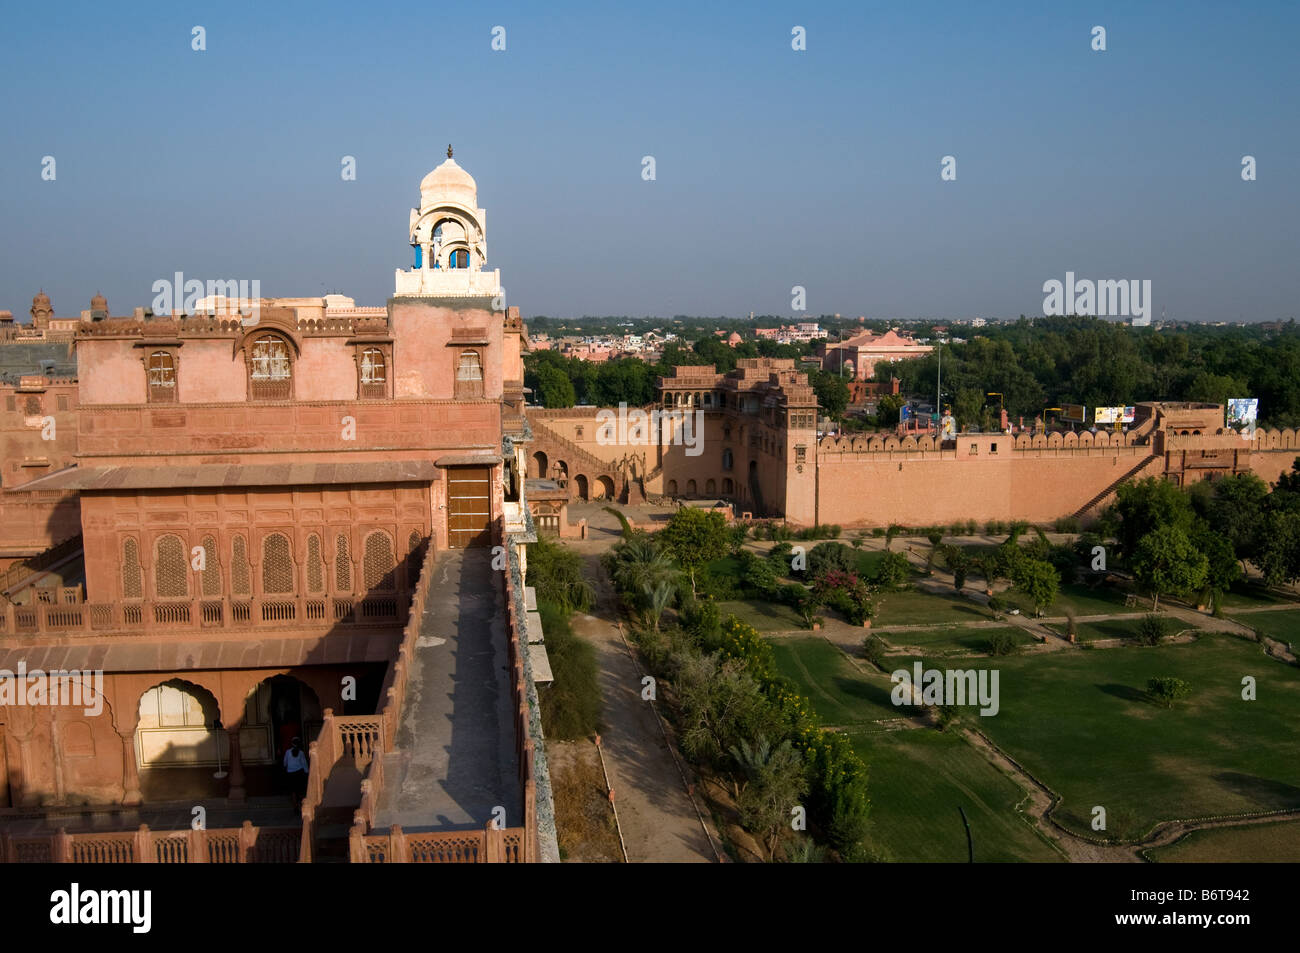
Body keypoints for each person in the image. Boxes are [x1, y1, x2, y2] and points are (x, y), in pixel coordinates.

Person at [283, 737, 309, 808]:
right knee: (299, 790)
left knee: (293, 791)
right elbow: (304, 764)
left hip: (290, 774)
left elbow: (285, 763)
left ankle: (295, 806)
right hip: (299, 773)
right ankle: (301, 806)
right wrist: (307, 773)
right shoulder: (301, 753)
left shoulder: (288, 752)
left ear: (292, 744)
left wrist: (286, 767)